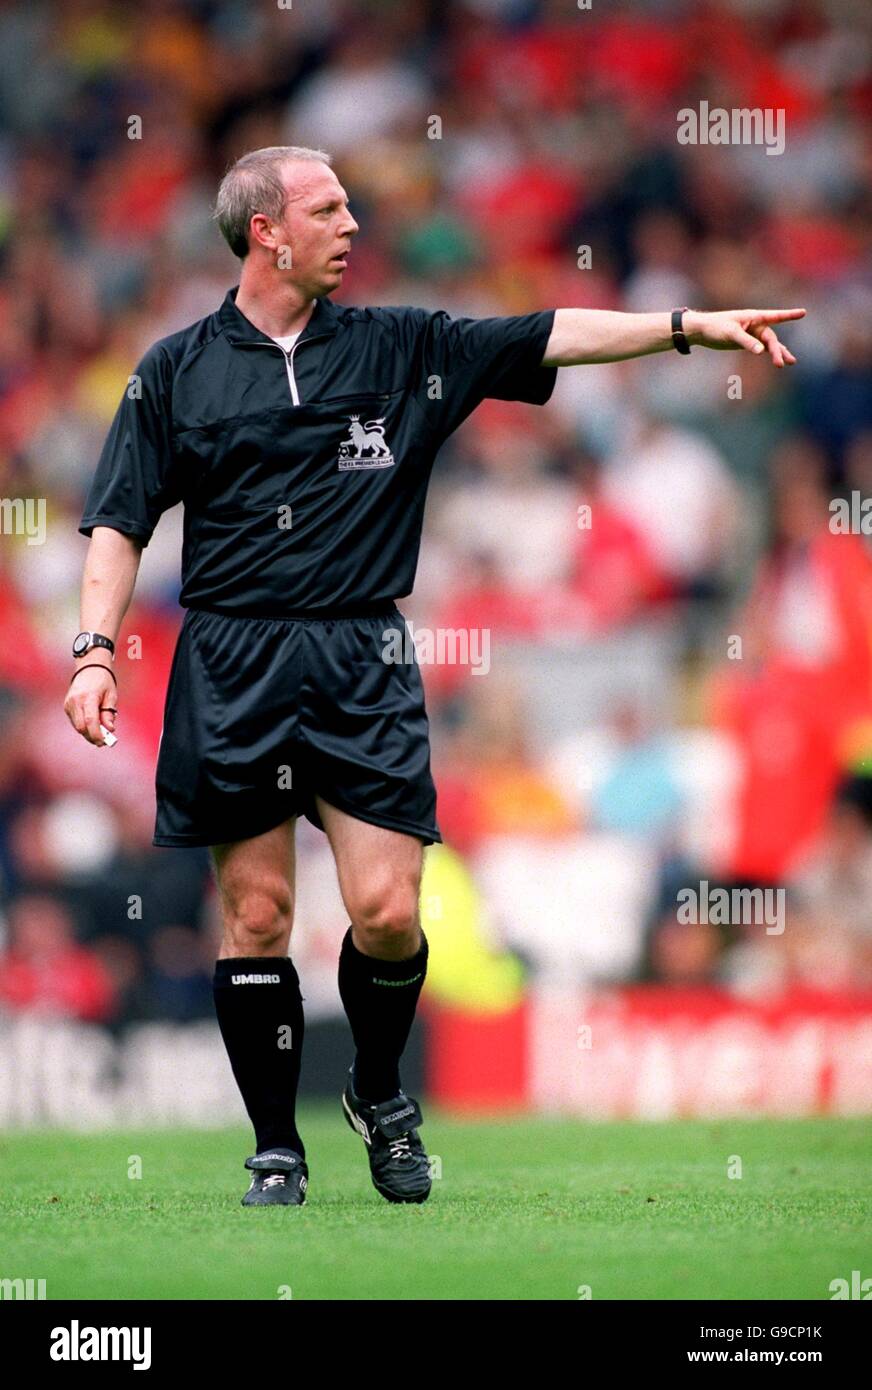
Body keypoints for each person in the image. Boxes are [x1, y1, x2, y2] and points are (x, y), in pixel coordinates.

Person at [64, 144, 805, 1207]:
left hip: (359, 653)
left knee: (387, 913)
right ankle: (276, 1147)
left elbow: (548, 332)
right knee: (259, 915)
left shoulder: (401, 345)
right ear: (266, 230)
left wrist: (687, 328)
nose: (353, 222)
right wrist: (95, 652)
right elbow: (116, 523)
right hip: (231, 657)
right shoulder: (175, 370)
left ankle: (376, 1087)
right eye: (328, 207)